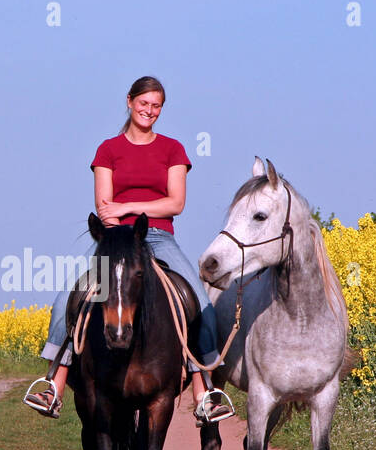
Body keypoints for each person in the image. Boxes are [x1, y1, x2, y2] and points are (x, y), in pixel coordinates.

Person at [24, 76, 233, 425]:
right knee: (65, 300)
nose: (149, 111)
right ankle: (54, 385)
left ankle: (204, 390)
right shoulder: (108, 149)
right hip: (116, 242)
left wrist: (128, 207)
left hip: (159, 239)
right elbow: (103, 205)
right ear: (130, 101)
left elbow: (176, 203)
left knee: (201, 304)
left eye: (156, 106)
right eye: (144, 103)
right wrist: (122, 213)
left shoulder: (173, 149)